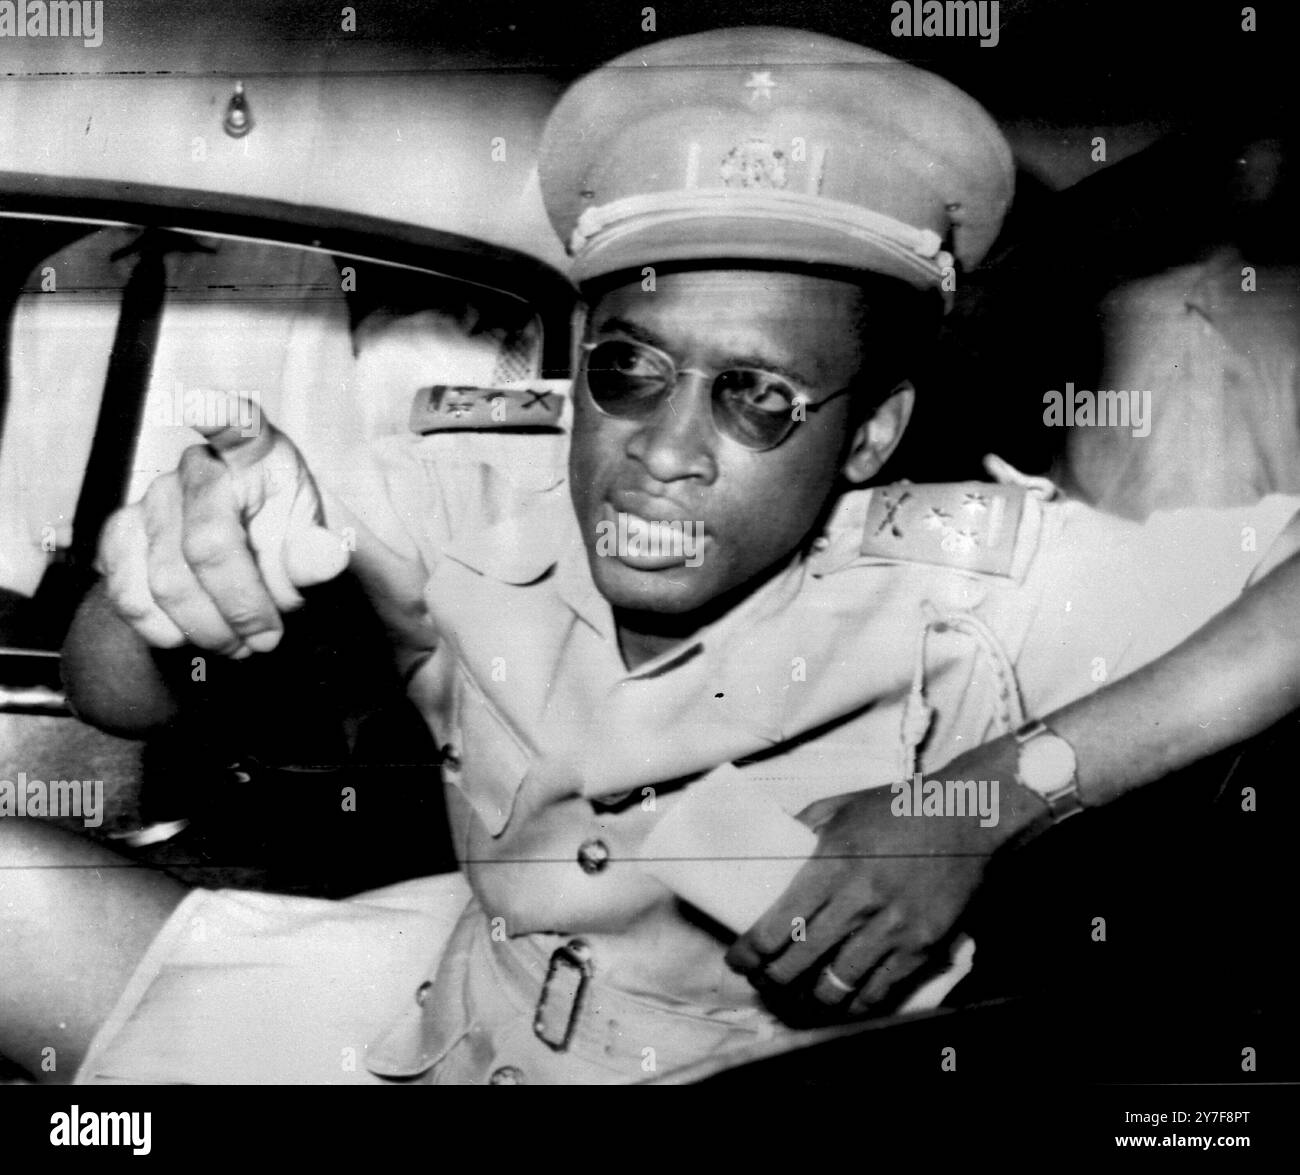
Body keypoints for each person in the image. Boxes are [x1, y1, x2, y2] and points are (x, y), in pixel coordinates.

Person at [3, 26, 1300, 1085]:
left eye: (758, 400)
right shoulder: (463, 499)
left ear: (872, 437)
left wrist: (986, 796)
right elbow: (115, 697)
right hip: (437, 1010)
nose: (665, 450)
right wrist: (168, 586)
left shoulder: (969, 579)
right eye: (629, 371)